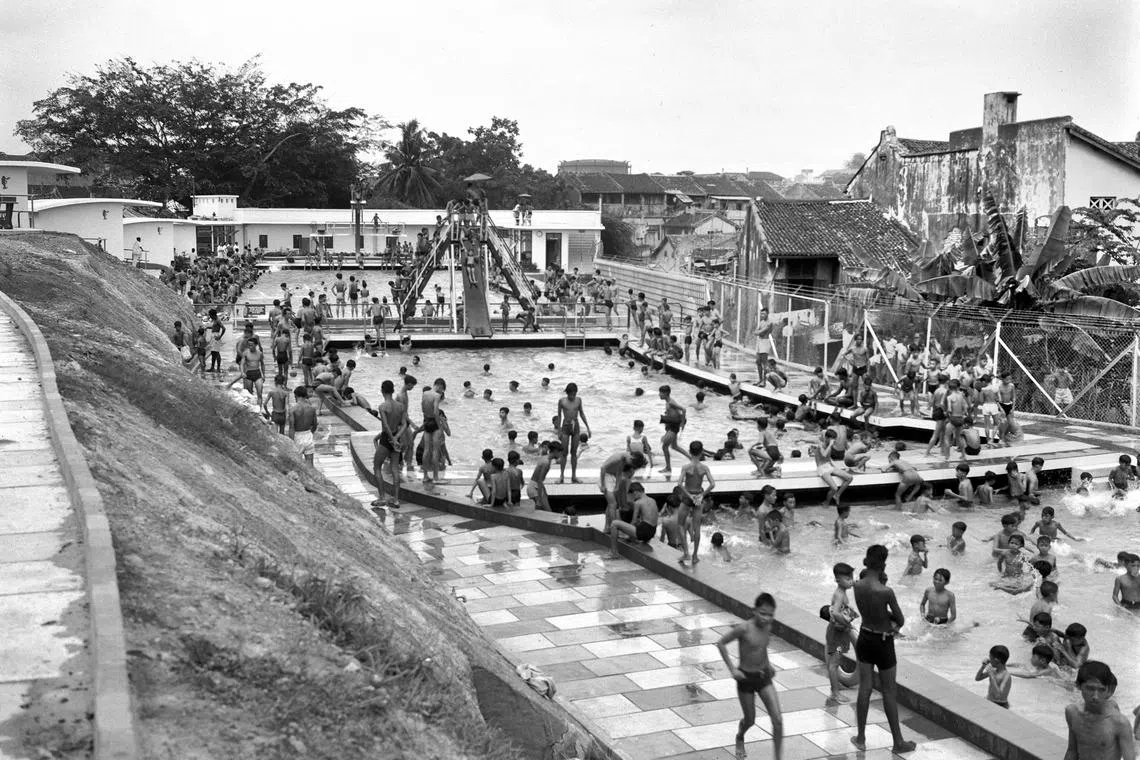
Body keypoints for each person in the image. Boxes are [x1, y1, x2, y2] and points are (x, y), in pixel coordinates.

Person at [851, 545, 916, 753]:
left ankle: (860, 738)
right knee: (889, 691)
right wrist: (889, 620)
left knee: (865, 689)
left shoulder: (857, 585)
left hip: (864, 637)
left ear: (866, 561)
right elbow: (901, 620)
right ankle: (898, 742)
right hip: (883, 642)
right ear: (883, 564)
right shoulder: (885, 591)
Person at [717, 593, 783, 760]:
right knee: (750, 720)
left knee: (778, 720)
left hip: (763, 677)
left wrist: (768, 665)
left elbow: (762, 648)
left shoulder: (768, 627)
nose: (767, 618)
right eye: (763, 613)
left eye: (770, 615)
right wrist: (733, 669)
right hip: (745, 679)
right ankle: (740, 736)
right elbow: (721, 643)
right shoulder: (744, 628)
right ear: (754, 611)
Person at [1064, 661, 1135, 760]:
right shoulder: (1072, 712)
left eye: (1101, 690)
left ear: (1108, 690)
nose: (1095, 696)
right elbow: (1072, 751)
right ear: (1079, 686)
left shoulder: (1119, 723)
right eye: (1090, 689)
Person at [824, 563, 860, 705]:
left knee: (836, 661)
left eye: (851, 578)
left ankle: (835, 691)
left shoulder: (842, 593)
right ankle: (835, 693)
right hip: (836, 636)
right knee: (834, 663)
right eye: (847, 579)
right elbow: (835, 612)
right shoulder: (839, 595)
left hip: (839, 634)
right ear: (838, 580)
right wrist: (846, 622)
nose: (851, 581)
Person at [677, 441, 715, 565]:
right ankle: (694, 556)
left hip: (688, 496)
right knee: (697, 528)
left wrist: (689, 496)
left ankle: (686, 553)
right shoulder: (704, 468)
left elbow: (679, 484)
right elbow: (712, 484)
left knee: (681, 524)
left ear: (690, 451)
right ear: (701, 451)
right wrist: (701, 496)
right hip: (699, 496)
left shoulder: (686, 467)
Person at [371, 379, 407, 508]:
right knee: (394, 469)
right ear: (392, 391)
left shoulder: (382, 407)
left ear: (382, 390)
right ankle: (396, 500)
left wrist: (392, 438)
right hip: (397, 438)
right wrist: (397, 438)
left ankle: (382, 498)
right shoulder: (400, 406)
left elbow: (385, 425)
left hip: (387, 439)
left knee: (376, 466)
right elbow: (404, 424)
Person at [608, 482, 660, 558]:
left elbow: (634, 521)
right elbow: (654, 518)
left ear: (635, 492)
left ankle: (614, 553)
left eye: (632, 496)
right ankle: (637, 539)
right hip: (652, 533)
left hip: (643, 532)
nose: (633, 498)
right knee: (641, 523)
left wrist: (627, 532)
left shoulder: (638, 503)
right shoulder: (652, 500)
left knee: (614, 524)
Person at [598, 451, 647, 530]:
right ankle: (614, 527)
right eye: (632, 464)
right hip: (606, 476)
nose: (632, 466)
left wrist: (617, 485)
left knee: (611, 504)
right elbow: (603, 467)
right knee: (613, 504)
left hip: (613, 477)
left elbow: (619, 471)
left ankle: (607, 526)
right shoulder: (618, 457)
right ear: (631, 457)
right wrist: (603, 485)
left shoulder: (625, 459)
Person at [555, 383, 592, 484]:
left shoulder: (578, 400)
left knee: (574, 453)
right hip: (566, 426)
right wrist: (559, 430)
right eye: (571, 394)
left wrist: (588, 427)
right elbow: (559, 416)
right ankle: (561, 476)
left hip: (575, 426)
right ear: (567, 393)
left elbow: (582, 413)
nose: (573, 396)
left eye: (575, 394)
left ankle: (574, 476)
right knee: (564, 452)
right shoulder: (562, 401)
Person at [658, 385, 688, 476]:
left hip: (673, 427)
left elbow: (683, 409)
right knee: (674, 446)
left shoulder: (671, 402)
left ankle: (668, 467)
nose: (659, 395)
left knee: (664, 446)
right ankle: (692, 458)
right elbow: (676, 413)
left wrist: (682, 423)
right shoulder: (668, 402)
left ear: (666, 393)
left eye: (660, 393)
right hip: (671, 426)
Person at [289, 386, 318, 465]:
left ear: (296, 395)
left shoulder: (293, 410)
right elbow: (315, 425)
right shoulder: (312, 409)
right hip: (308, 435)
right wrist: (310, 433)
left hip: (297, 436)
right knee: (310, 465)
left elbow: (291, 428)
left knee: (297, 464)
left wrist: (291, 442)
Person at [526, 441, 556, 511]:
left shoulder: (545, 458)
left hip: (534, 486)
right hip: (534, 488)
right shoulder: (546, 462)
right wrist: (539, 499)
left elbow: (540, 480)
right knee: (547, 511)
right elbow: (539, 480)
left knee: (540, 511)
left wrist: (544, 491)